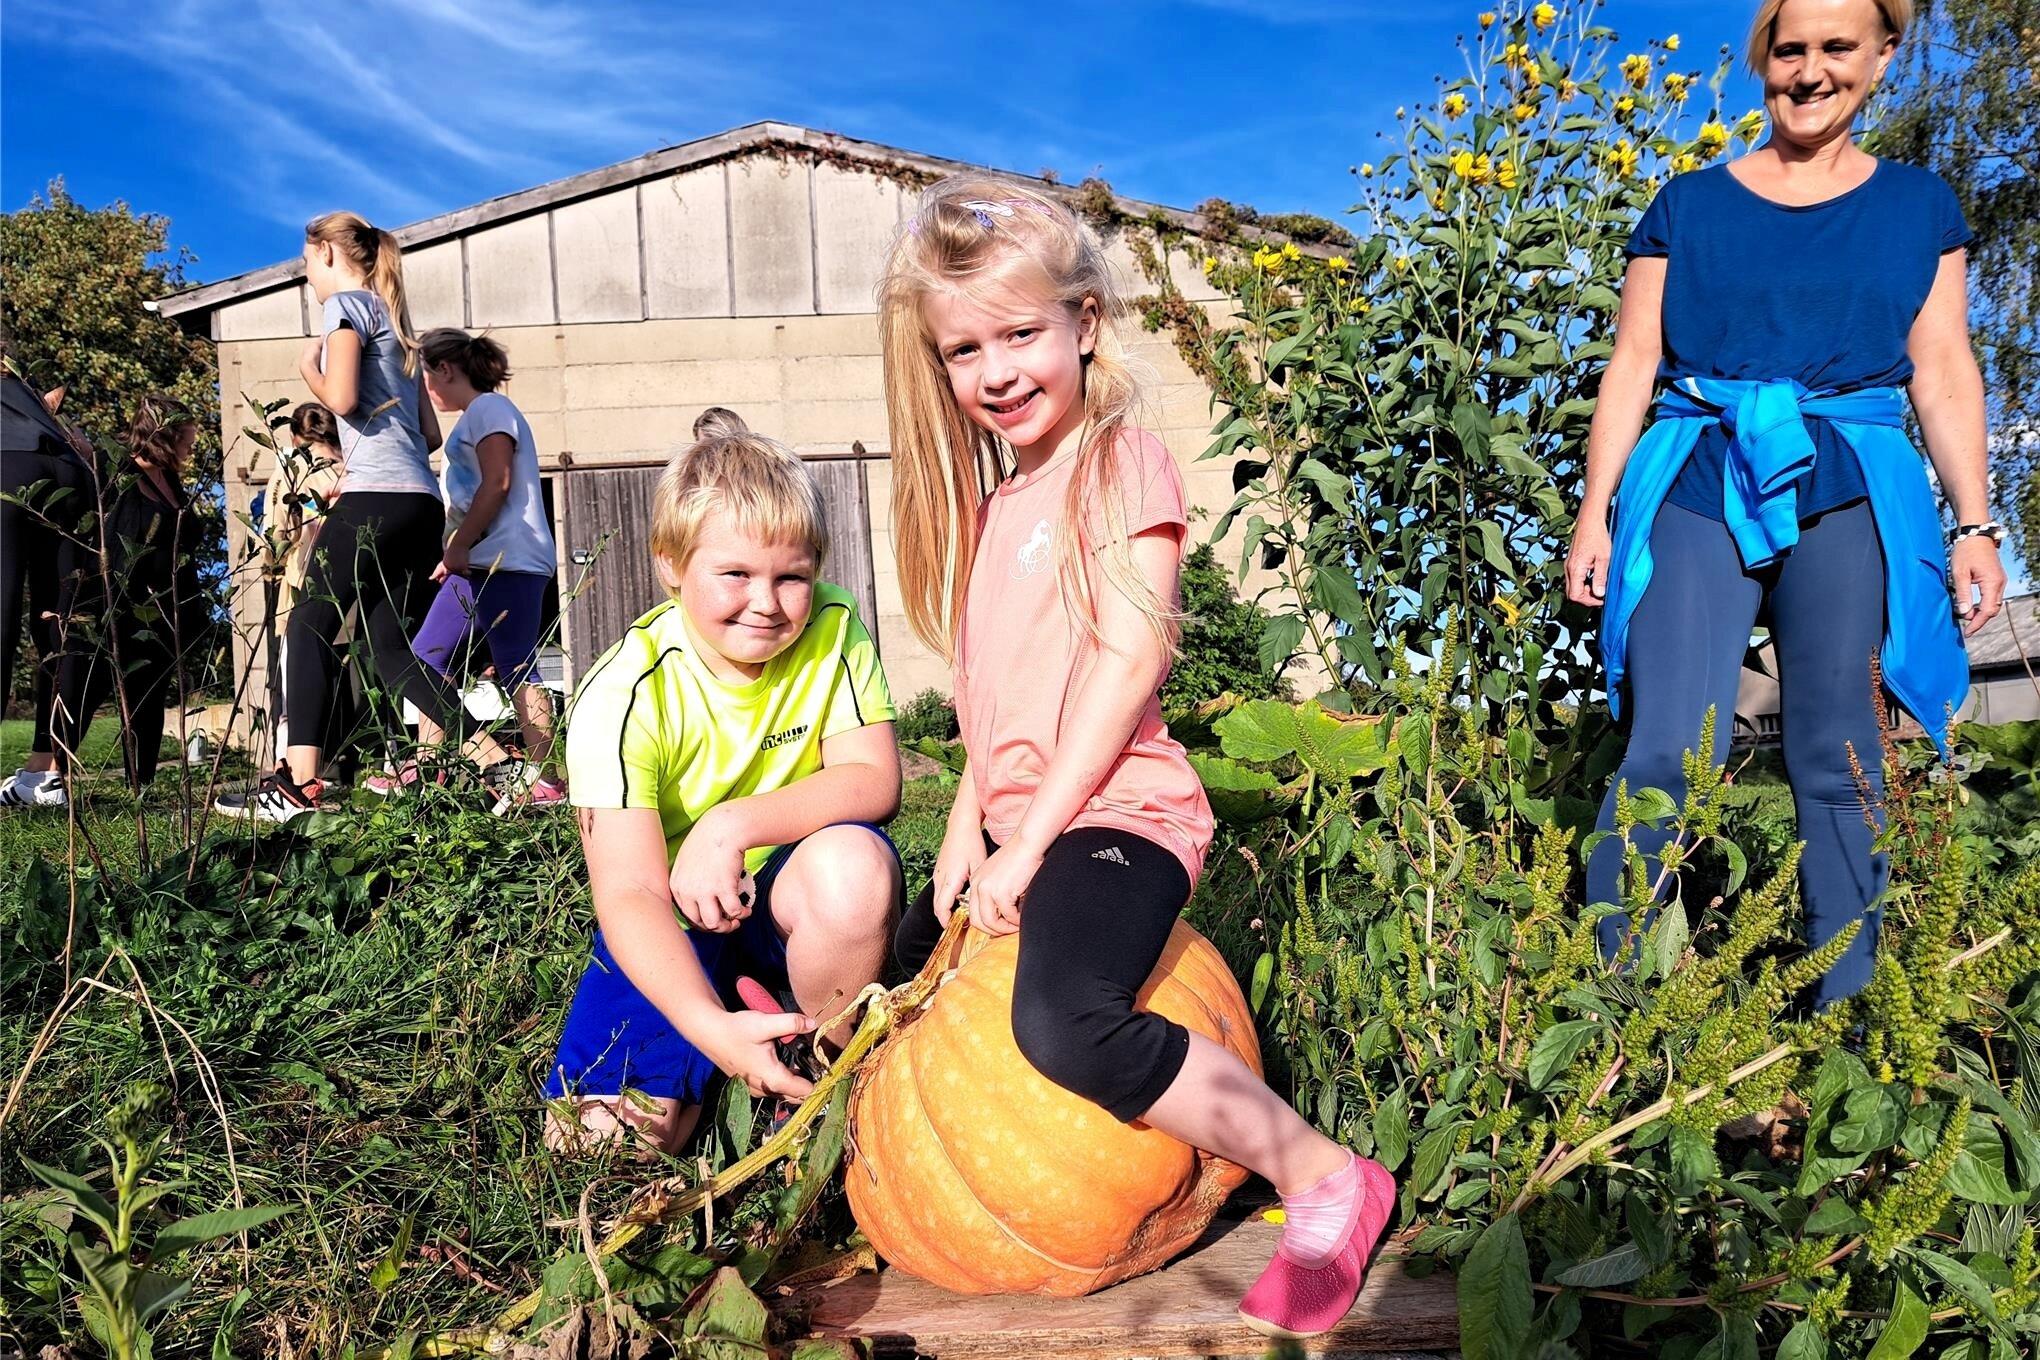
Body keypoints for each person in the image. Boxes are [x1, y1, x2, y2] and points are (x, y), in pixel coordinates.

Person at [878, 179, 1394, 1340]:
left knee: (1062, 1019)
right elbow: (997, 710)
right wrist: (968, 834)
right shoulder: (996, 506)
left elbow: (1119, 670)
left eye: (1021, 334)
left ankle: (1323, 1176)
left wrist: (1033, 843)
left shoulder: (1125, 466)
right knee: (901, 964)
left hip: (1121, 818)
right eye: (966, 349)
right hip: (1028, 823)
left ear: (1086, 325)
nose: (998, 370)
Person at [1564, 0, 2006, 1006]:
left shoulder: (1919, 208)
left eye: (1837, 48)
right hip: (1697, 476)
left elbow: (1941, 368)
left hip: (1847, 481)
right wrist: (1595, 512)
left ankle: (1843, 1019)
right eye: (1790, 49)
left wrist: (1976, 523)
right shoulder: (1687, 205)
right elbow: (1634, 362)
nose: (1810, 72)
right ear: (1766, 59)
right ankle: (1613, 1018)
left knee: (1840, 751)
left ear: (1883, 57)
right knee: (1674, 744)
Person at [543, 427, 903, 1155]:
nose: (767, 603)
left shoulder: (833, 629)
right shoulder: (622, 693)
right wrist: (708, 1028)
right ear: (672, 566)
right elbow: (629, 895)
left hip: (785, 907)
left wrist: (729, 825)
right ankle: (722, 1051)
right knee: (599, 1144)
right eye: (735, 575)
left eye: (791, 576)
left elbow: (875, 778)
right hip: (674, 926)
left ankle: (824, 1074)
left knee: (854, 870)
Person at [216, 212, 525, 822]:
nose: (307, 276)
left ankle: (296, 785)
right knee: (393, 650)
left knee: (307, 623)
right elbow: (431, 434)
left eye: (306, 263)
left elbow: (341, 399)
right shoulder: (402, 331)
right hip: (417, 505)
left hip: (375, 500)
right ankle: (499, 766)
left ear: (329, 252)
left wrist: (310, 370)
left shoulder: (347, 309)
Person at [364, 328, 565, 813]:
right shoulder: (480, 415)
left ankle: (537, 776)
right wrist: (455, 552)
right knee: (431, 656)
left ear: (445, 371)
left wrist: (459, 544)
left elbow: (497, 482)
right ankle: (427, 765)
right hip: (485, 561)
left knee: (505, 662)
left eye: (424, 378)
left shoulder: (489, 410)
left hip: (503, 560)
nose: (425, 392)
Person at [49, 396, 212, 790]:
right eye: (186, 441)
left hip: (158, 610)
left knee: (148, 695)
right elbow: (80, 531)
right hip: (108, 602)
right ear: (166, 437)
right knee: (80, 688)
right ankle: (53, 775)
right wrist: (65, 602)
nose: (190, 451)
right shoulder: (111, 469)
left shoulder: (169, 481)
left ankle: (140, 784)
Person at [0, 343, 97, 808]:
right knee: (60, 623)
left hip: (6, 467)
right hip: (67, 470)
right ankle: (47, 769)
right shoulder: (32, 394)